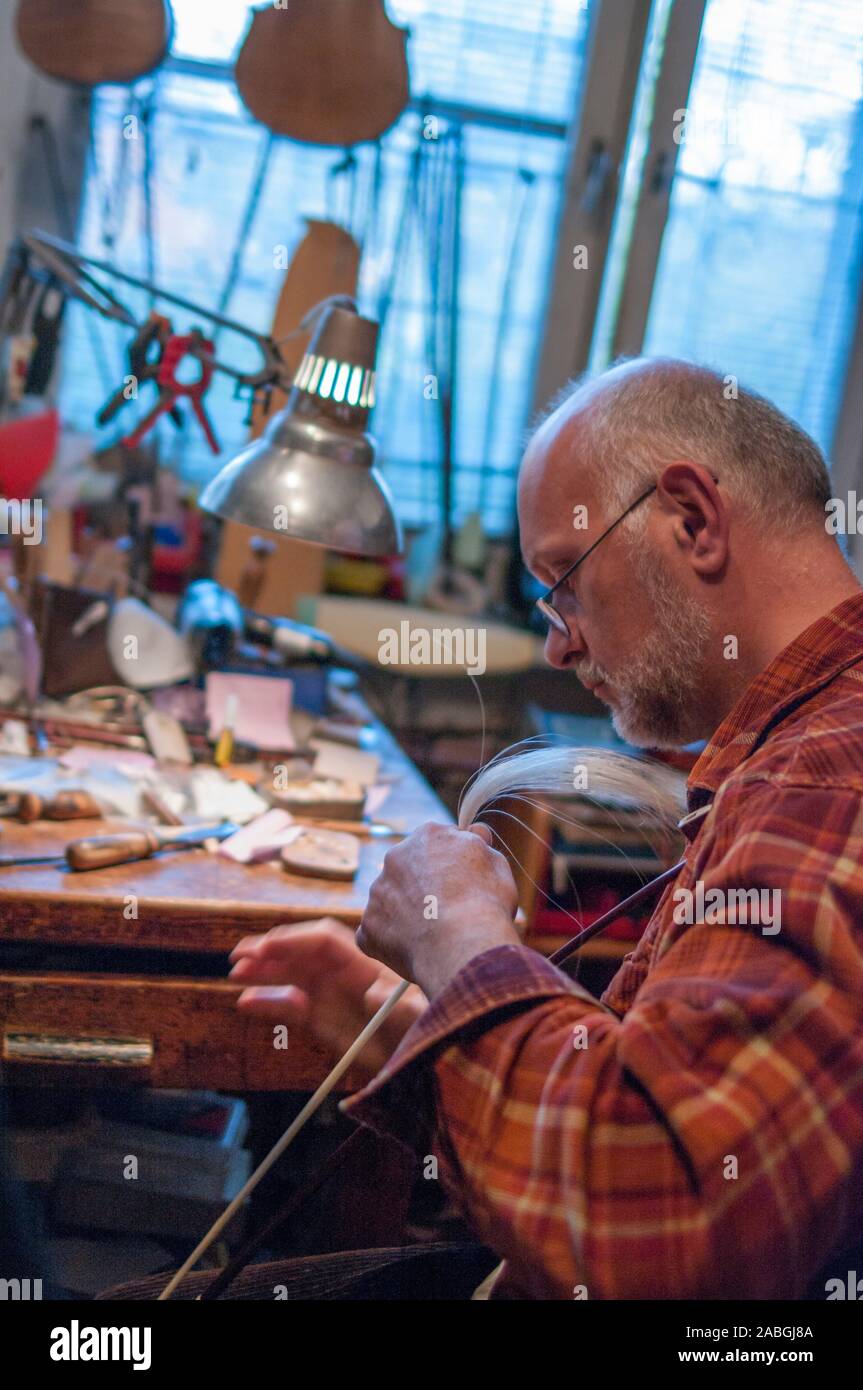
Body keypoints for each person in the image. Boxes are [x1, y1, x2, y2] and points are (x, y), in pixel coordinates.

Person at [230, 358, 863, 1298]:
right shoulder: (793, 749)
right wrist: (414, 1031)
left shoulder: (823, 781)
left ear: (691, 519)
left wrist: (462, 942)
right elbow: (638, 1095)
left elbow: (656, 1232)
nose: (561, 641)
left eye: (563, 577)